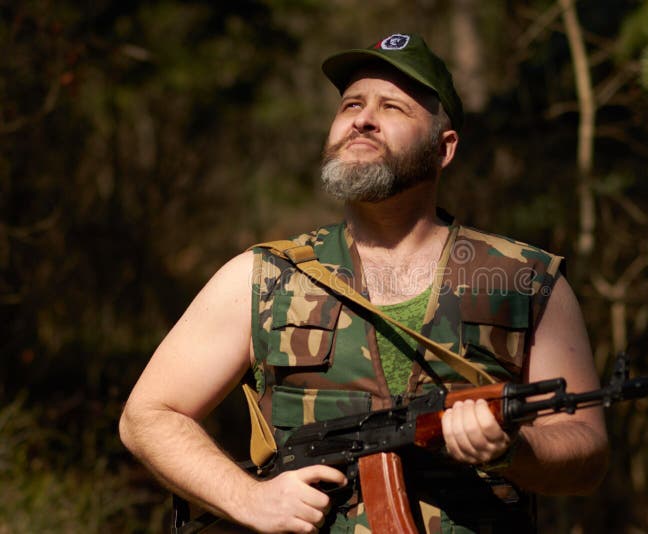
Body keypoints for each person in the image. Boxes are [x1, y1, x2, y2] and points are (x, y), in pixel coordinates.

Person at [119, 33, 609, 533]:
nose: (363, 119)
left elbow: (587, 451)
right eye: (351, 104)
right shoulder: (266, 278)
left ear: (444, 149)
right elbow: (148, 415)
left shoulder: (524, 280)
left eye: (392, 107)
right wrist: (248, 498)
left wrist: (513, 450)